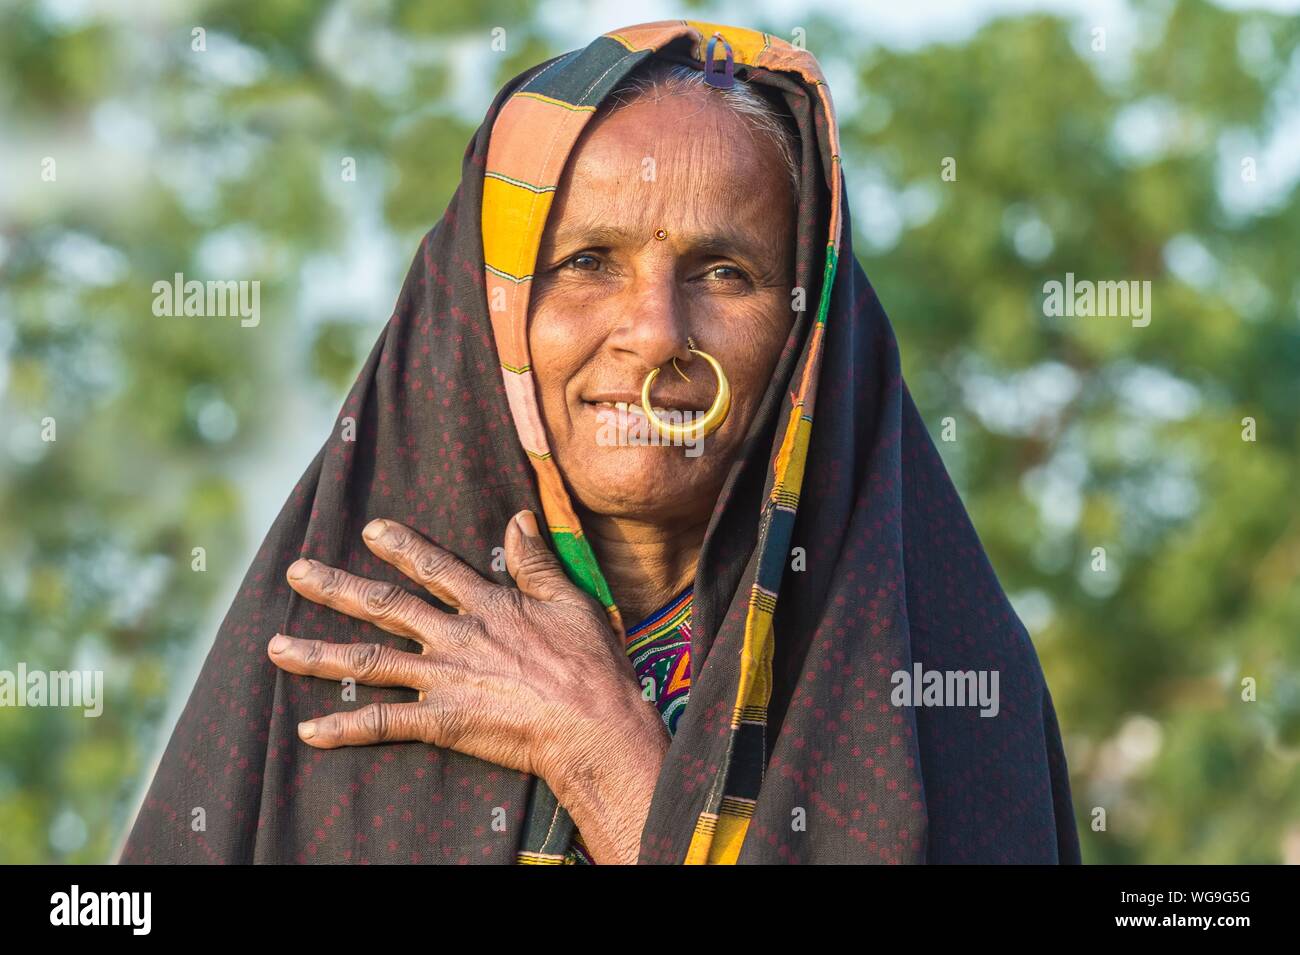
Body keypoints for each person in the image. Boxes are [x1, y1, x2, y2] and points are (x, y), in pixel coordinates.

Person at [121, 19, 1080, 865]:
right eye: (585, 263)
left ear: (803, 328)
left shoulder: (937, 688)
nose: (657, 332)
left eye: (725, 270)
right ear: (487, 311)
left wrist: (606, 758)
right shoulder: (330, 666)